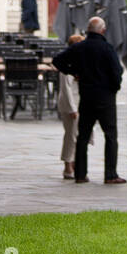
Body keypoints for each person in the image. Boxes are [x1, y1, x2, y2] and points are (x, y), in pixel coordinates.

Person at [52, 15, 125, 184]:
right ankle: (110, 174)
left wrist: (74, 72)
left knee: (82, 137)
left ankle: (80, 174)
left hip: (86, 96)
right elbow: (117, 72)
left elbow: (58, 61)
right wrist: (114, 88)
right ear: (103, 30)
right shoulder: (107, 48)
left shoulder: (80, 47)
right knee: (111, 136)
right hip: (105, 97)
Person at [57, 33, 85, 179]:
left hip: (78, 102)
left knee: (76, 135)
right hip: (70, 105)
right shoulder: (67, 63)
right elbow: (66, 88)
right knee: (71, 136)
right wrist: (72, 108)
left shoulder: (81, 61)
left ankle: (72, 162)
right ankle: (68, 165)